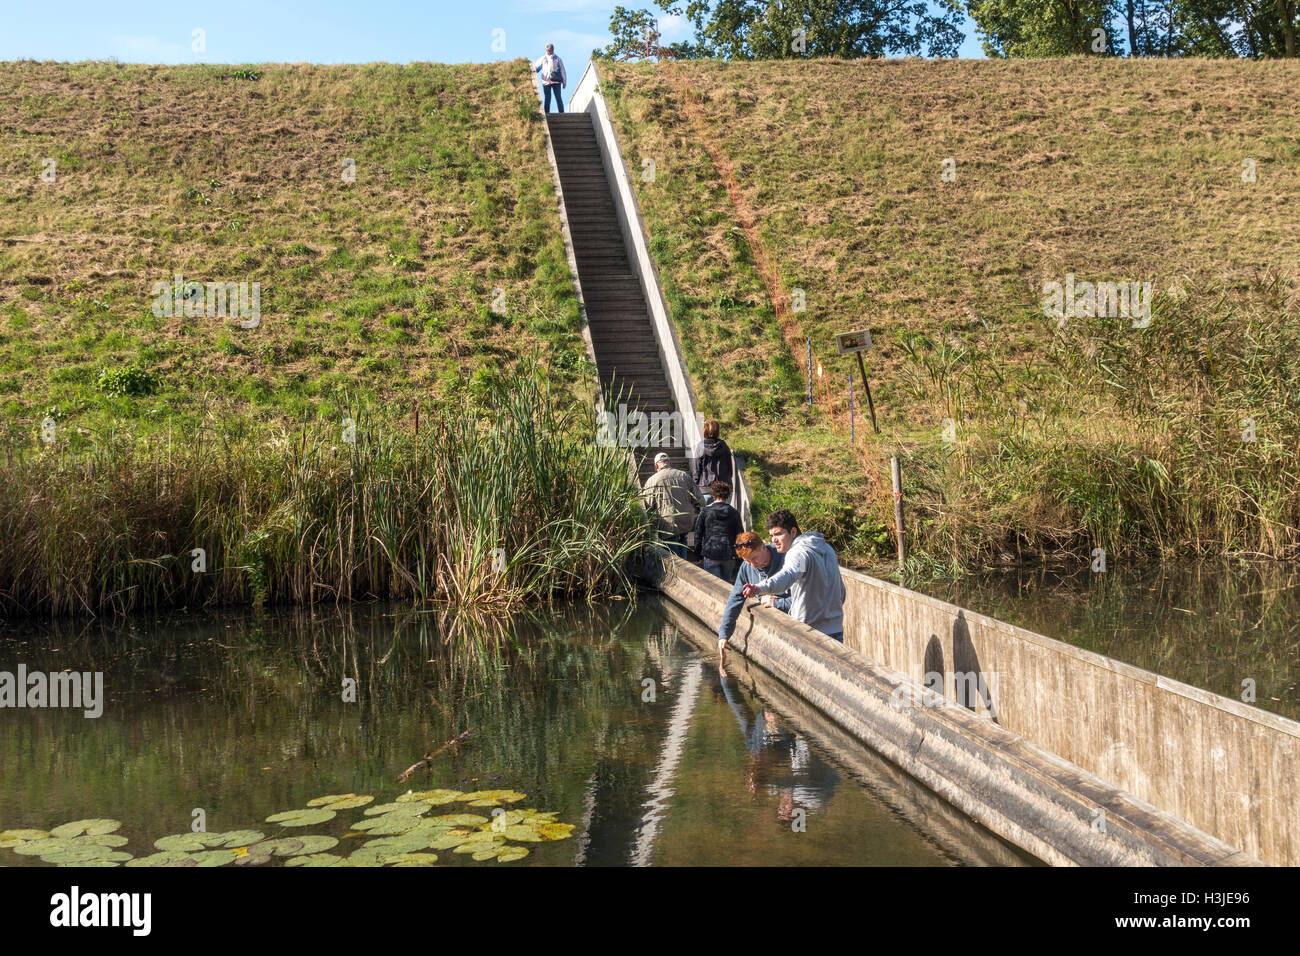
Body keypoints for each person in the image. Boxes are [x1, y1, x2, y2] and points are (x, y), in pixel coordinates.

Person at [741, 509, 846, 642]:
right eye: (771, 535)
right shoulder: (827, 549)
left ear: (793, 531)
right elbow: (841, 592)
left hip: (809, 632)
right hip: (835, 630)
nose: (774, 540)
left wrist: (759, 588)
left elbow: (788, 575)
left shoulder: (798, 553)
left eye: (778, 534)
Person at [717, 531, 790, 668]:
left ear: (763, 546)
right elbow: (736, 598)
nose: (752, 565)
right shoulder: (747, 568)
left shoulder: (786, 561)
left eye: (754, 559)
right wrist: (724, 634)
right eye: (747, 561)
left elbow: (805, 602)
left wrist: (777, 603)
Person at [641, 452, 702, 557]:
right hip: (686, 519)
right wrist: (699, 511)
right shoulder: (684, 475)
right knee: (683, 541)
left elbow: (648, 506)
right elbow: (699, 498)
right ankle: (685, 564)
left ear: (656, 466)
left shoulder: (652, 481)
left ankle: (679, 570)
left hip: (667, 522)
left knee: (672, 554)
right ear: (670, 463)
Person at [693, 480, 743, 581]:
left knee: (713, 586)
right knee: (726, 584)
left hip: (710, 553)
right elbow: (740, 536)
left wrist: (698, 555)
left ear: (713, 495)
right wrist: (739, 557)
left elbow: (698, 535)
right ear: (728, 496)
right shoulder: (734, 513)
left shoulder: (705, 512)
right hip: (729, 554)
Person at [691, 420, 733, 497]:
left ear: (705, 431)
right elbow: (730, 468)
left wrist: (695, 484)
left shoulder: (701, 446)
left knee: (706, 509)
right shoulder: (724, 445)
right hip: (724, 488)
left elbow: (696, 469)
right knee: (724, 509)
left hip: (706, 488)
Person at [533, 44, 567, 113]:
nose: (549, 51)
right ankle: (547, 113)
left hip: (556, 81)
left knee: (558, 98)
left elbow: (563, 70)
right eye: (548, 50)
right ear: (546, 50)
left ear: (553, 50)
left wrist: (564, 82)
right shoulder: (543, 58)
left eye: (550, 50)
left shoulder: (558, 59)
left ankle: (562, 113)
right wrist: (533, 70)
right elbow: (536, 67)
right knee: (547, 98)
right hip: (546, 82)